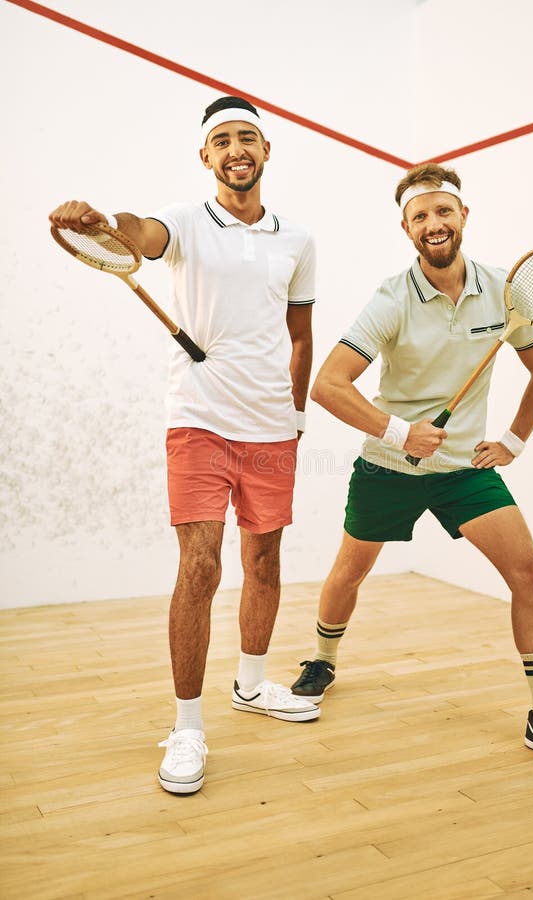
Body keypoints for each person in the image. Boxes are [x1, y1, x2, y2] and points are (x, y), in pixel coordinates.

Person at [291, 163, 533, 778]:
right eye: (420, 217)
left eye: (443, 211)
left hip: (463, 470)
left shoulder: (507, 292)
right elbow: (328, 384)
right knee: (348, 574)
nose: (433, 224)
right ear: (407, 229)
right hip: (389, 466)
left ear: (462, 216)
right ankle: (321, 660)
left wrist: (513, 442)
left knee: (531, 571)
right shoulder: (390, 298)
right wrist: (398, 430)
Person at [49, 96, 320, 795]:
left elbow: (299, 336)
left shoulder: (298, 240)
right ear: (206, 156)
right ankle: (188, 727)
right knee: (200, 566)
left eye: (248, 138)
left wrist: (294, 414)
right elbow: (138, 234)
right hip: (197, 420)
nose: (236, 149)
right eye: (223, 139)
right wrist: (104, 225)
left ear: (266, 153)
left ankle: (253, 685)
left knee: (264, 559)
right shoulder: (183, 222)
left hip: (270, 426)